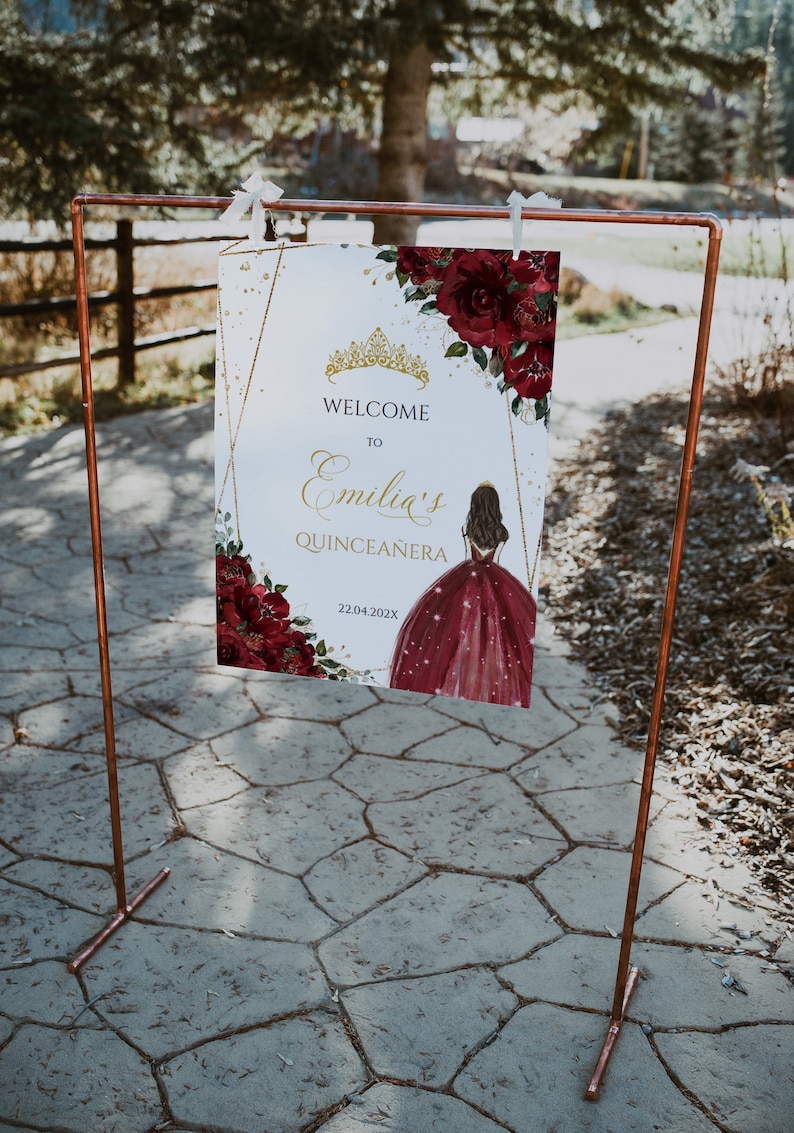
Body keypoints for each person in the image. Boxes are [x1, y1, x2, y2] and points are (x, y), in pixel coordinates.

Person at [389, 483, 537, 707]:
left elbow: (469, 554)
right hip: (496, 578)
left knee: (450, 633)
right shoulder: (501, 533)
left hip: (465, 576)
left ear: (474, 505)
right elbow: (495, 560)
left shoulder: (466, 529)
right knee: (499, 636)